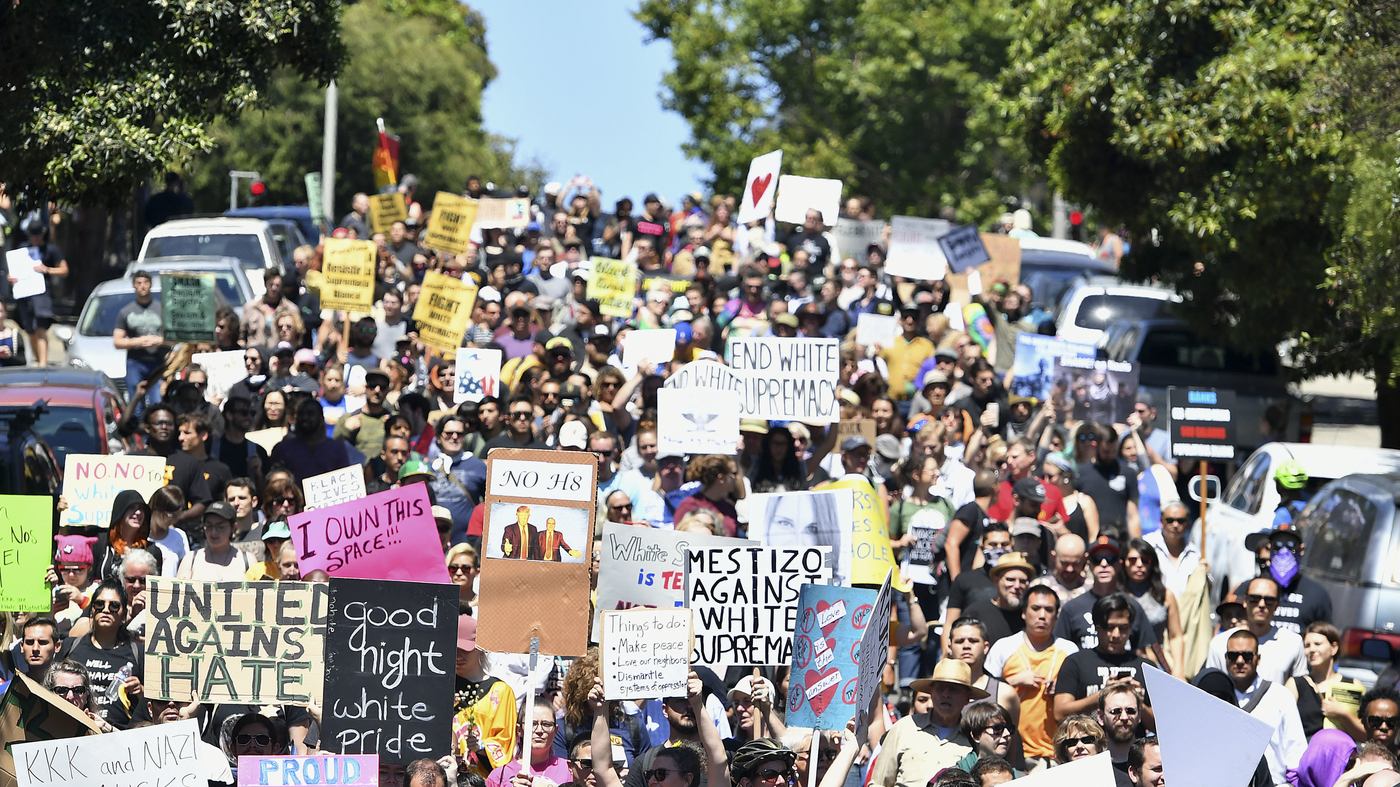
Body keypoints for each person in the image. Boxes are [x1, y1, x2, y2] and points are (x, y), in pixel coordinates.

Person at [984, 585, 1079, 768]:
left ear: (1057, 615)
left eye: (1049, 610)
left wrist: (1063, 688)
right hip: (1013, 752)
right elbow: (984, 694)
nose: (1042, 615)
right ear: (1023, 612)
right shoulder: (1004, 647)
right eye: (1035, 608)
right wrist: (1013, 681)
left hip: (1059, 754)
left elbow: (1079, 699)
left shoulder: (1069, 650)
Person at [871, 659, 986, 787]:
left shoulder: (975, 737)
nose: (946, 694)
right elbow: (878, 783)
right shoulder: (904, 727)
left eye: (954, 689)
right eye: (940, 688)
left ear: (967, 697)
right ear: (931, 691)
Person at [55, 578, 143, 729]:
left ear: (123, 616)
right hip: (75, 732)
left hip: (120, 736)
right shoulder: (71, 646)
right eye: (99, 604)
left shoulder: (137, 652)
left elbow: (153, 705)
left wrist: (141, 691)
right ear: (92, 611)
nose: (106, 610)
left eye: (114, 606)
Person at [1223, 628, 1308, 783]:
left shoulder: (1280, 696)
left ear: (1258, 658)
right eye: (1233, 656)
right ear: (1226, 658)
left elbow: (1296, 751)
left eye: (1247, 656)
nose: (1240, 661)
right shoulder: (1216, 696)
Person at [1054, 593, 1153, 724]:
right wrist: (1101, 696)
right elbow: (1059, 714)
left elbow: (1162, 726)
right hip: (1088, 742)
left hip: (1135, 743)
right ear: (1096, 626)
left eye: (1123, 628)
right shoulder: (1076, 663)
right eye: (1109, 628)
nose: (1116, 635)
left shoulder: (1146, 667)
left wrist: (1137, 702)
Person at [1054, 535, 1158, 652]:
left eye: (1110, 559)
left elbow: (1143, 651)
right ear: (1089, 565)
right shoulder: (1072, 609)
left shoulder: (1132, 606)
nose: (1104, 564)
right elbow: (1059, 651)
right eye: (1097, 559)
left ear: (1119, 564)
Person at [1232, 524, 1334, 636]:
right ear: (1269, 548)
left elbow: (1325, 637)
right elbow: (1227, 626)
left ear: (1301, 549)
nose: (1284, 551)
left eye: (1291, 546)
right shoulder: (1249, 589)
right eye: (1278, 546)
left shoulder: (1317, 594)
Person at [1207, 576, 1307, 685]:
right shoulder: (1220, 643)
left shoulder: (1292, 642)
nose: (1261, 605)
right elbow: (1211, 687)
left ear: (1277, 605)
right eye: (1255, 599)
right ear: (1245, 601)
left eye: (1269, 600)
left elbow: (1299, 689)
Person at [454, 616, 518, 777]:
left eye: (465, 649)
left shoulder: (500, 692)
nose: (458, 655)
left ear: (480, 648)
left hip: (481, 779)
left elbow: (505, 744)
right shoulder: (439, 688)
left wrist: (481, 747)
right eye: (454, 648)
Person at [1286, 622, 1366, 741]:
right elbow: (1283, 727)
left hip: (1342, 756)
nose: (1312, 649)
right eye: (1307, 645)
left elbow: (1364, 735)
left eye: (1317, 644)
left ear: (1334, 648)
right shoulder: (1295, 685)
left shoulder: (1353, 685)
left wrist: (1341, 714)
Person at [942, 522, 1012, 656]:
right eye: (993, 545)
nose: (999, 549)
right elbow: (950, 623)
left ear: (1012, 545)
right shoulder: (965, 580)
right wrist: (947, 654)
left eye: (1004, 545)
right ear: (982, 546)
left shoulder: (1019, 582)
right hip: (972, 655)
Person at [946, 619, 1023, 733]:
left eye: (973, 641)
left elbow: (1011, 743)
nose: (966, 646)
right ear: (949, 647)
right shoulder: (938, 690)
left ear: (986, 647)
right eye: (959, 641)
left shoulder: (1004, 693)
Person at [11, 218, 68, 367]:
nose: (34, 239)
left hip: (41, 295)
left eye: (37, 236)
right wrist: (12, 278)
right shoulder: (23, 249)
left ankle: (43, 365)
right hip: (25, 294)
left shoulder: (50, 250)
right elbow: (15, 270)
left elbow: (64, 270)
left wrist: (47, 270)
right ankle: (37, 360)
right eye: (32, 236)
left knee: (40, 328)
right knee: (30, 330)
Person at [1123, 537, 1184, 675]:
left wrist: (1178, 670)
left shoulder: (1166, 595)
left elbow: (1176, 636)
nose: (1139, 565)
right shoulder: (1116, 595)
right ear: (1123, 563)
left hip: (1156, 664)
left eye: (1145, 560)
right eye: (1133, 560)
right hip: (1123, 664)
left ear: (1153, 564)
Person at [487, 699, 572, 787]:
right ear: (519, 730)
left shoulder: (569, 770)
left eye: (546, 724)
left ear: (555, 730)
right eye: (532, 724)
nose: (539, 730)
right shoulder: (499, 776)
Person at [113, 270, 167, 410]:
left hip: (158, 362)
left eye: (146, 282)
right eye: (139, 283)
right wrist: (137, 341)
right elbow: (118, 341)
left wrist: (159, 341)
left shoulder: (162, 309)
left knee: (157, 403)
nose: (143, 286)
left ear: (151, 285)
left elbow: (175, 339)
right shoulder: (126, 311)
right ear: (134, 286)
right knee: (135, 405)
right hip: (135, 362)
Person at [1076, 424, 1140, 538]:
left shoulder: (1128, 473)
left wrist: (1136, 544)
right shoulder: (1081, 473)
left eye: (1113, 451)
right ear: (1095, 445)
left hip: (1119, 538)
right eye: (1105, 452)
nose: (1110, 455)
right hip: (1090, 538)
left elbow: (1133, 516)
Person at [964, 552, 1034, 645]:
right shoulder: (976, 613)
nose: (1017, 586)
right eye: (1010, 580)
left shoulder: (1032, 615)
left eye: (1022, 581)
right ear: (996, 581)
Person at [272, 398, 350, 482]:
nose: (305, 417)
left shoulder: (337, 449)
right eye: (301, 414)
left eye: (310, 414)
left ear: (321, 418)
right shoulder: (283, 449)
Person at [94, 489, 166, 579]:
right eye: (132, 507)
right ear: (120, 511)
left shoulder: (153, 551)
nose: (138, 512)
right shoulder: (102, 543)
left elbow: (154, 587)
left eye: (141, 508)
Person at [177, 502, 253, 580]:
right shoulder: (190, 559)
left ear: (233, 527)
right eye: (209, 526)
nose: (213, 533)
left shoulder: (248, 560)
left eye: (220, 527)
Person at [672, 455, 742, 537]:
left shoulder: (729, 509)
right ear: (721, 478)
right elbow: (678, 539)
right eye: (734, 474)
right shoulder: (688, 506)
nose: (737, 478)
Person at [1143, 501, 1201, 599]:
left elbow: (1205, 590)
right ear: (1161, 521)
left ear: (1187, 523)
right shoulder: (1148, 545)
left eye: (1181, 521)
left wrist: (1204, 573)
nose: (1175, 525)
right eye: (1170, 520)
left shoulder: (1195, 554)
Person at [1095, 683, 1145, 787]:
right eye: (1116, 711)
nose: (1124, 717)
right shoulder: (1093, 767)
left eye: (1130, 711)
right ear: (1100, 717)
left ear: (1139, 715)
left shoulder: (1154, 762)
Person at [953, 700, 1018, 774]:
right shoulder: (953, 778)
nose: (1007, 733)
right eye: (997, 728)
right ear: (976, 736)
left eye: (1009, 728)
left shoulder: (1021, 780)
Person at [1032, 534, 1089, 605]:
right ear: (1054, 557)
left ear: (1084, 559)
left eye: (1075, 563)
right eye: (1064, 563)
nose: (1070, 569)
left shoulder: (1093, 589)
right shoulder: (1038, 586)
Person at [17, 616, 60, 683]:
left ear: (57, 647)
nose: (35, 648)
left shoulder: (68, 690)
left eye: (42, 642)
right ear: (22, 646)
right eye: (30, 642)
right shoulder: (5, 690)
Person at [1359, 686, 1400, 754]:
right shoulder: (1353, 761)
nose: (1384, 727)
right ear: (1364, 722)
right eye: (1376, 721)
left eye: (1391, 722)